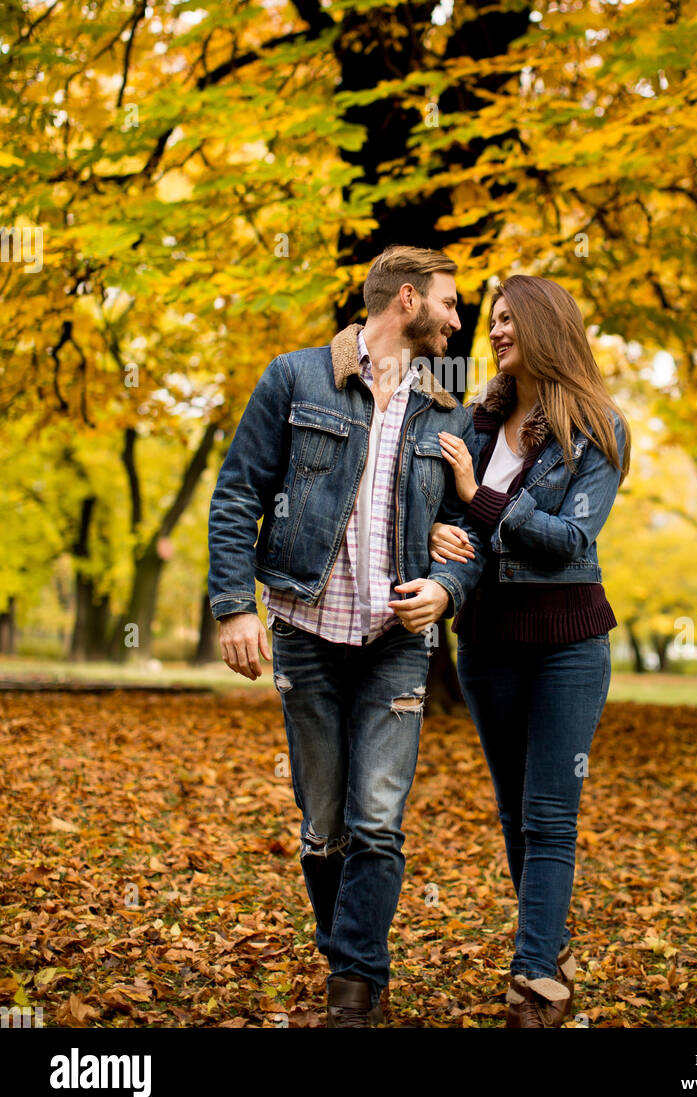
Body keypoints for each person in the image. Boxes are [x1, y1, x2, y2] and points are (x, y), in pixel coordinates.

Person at [207, 245, 485, 1028]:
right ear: (407, 300)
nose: (457, 319)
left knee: (377, 822)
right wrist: (233, 607)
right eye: (449, 302)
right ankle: (349, 956)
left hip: (399, 641)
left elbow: (466, 529)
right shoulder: (295, 379)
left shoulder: (448, 412)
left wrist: (447, 585)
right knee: (323, 825)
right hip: (306, 631)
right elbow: (238, 494)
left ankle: (353, 985)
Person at [429, 275, 630, 1028]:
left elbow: (569, 540)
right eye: (493, 319)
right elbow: (445, 517)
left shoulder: (599, 427)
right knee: (515, 813)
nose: (496, 331)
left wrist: (478, 497)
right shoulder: (474, 421)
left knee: (549, 815)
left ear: (547, 326)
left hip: (567, 644)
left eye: (511, 318)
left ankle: (533, 979)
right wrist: (437, 527)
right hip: (486, 640)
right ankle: (550, 947)